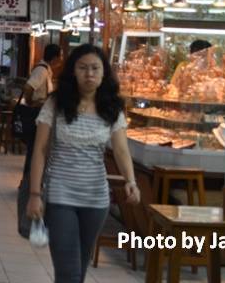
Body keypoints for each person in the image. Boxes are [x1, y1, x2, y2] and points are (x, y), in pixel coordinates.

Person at [25, 44, 139, 283]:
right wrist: (35, 193)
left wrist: (131, 181)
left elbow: (120, 149)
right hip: (60, 196)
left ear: (104, 73)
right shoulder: (56, 104)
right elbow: (40, 150)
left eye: (95, 68)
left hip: (96, 199)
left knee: (79, 269)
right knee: (68, 272)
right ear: (73, 71)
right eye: (83, 68)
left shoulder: (112, 108)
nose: (89, 74)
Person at [20, 44, 62, 179]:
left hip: (39, 112)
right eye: (60, 56)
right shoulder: (42, 71)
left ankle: (31, 179)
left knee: (36, 149)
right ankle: (27, 182)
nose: (61, 60)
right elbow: (28, 87)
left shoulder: (46, 70)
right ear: (55, 58)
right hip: (35, 113)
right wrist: (30, 102)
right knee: (34, 149)